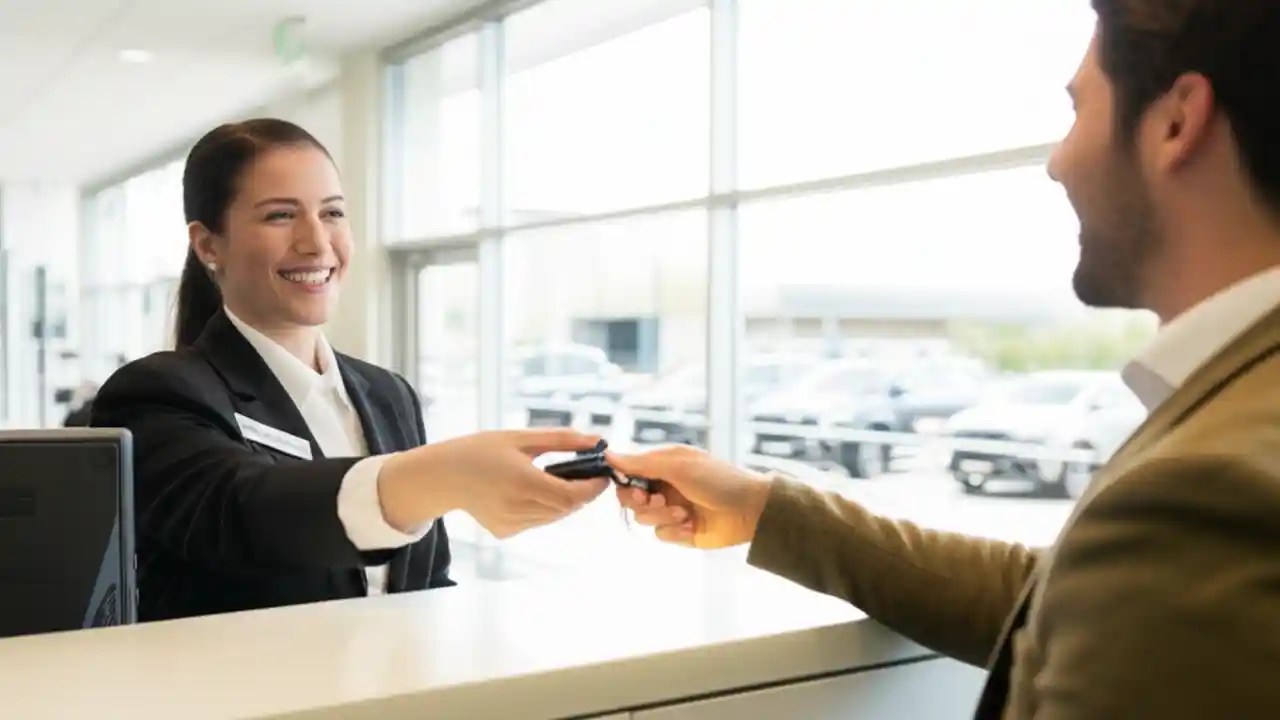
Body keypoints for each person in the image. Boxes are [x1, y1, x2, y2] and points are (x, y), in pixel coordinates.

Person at [613, 2, 1280, 718]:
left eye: (1078, 109)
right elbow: (1060, 601)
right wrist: (766, 510)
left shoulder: (1210, 495)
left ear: (1177, 122)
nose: (1058, 164)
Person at [91, 119, 608, 622]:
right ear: (208, 245)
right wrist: (444, 477)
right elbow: (247, 514)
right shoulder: (157, 395)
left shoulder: (387, 395)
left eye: (333, 213)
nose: (316, 242)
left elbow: (425, 586)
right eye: (280, 216)